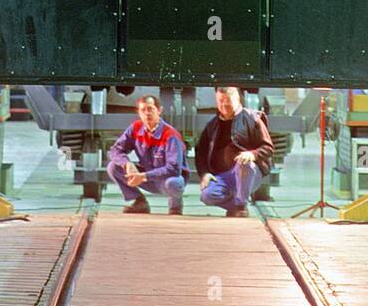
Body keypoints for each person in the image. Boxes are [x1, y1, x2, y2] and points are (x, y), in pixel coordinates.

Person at [195, 85, 274, 218]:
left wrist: (252, 154)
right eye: (221, 100)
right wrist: (204, 173)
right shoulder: (212, 125)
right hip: (224, 176)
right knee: (206, 196)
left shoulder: (252, 119)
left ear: (238, 99)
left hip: (249, 173)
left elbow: (268, 148)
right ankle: (237, 206)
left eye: (228, 100)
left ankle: (241, 205)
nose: (225, 104)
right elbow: (200, 152)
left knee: (245, 163)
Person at [106, 94, 188, 215]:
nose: (147, 113)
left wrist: (143, 176)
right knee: (113, 167)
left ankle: (175, 207)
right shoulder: (135, 128)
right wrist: (126, 164)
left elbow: (174, 169)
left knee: (173, 183)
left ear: (159, 111)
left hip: (166, 180)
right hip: (148, 178)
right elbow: (115, 150)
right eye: (143, 110)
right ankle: (139, 202)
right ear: (138, 112)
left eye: (150, 109)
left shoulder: (170, 135)